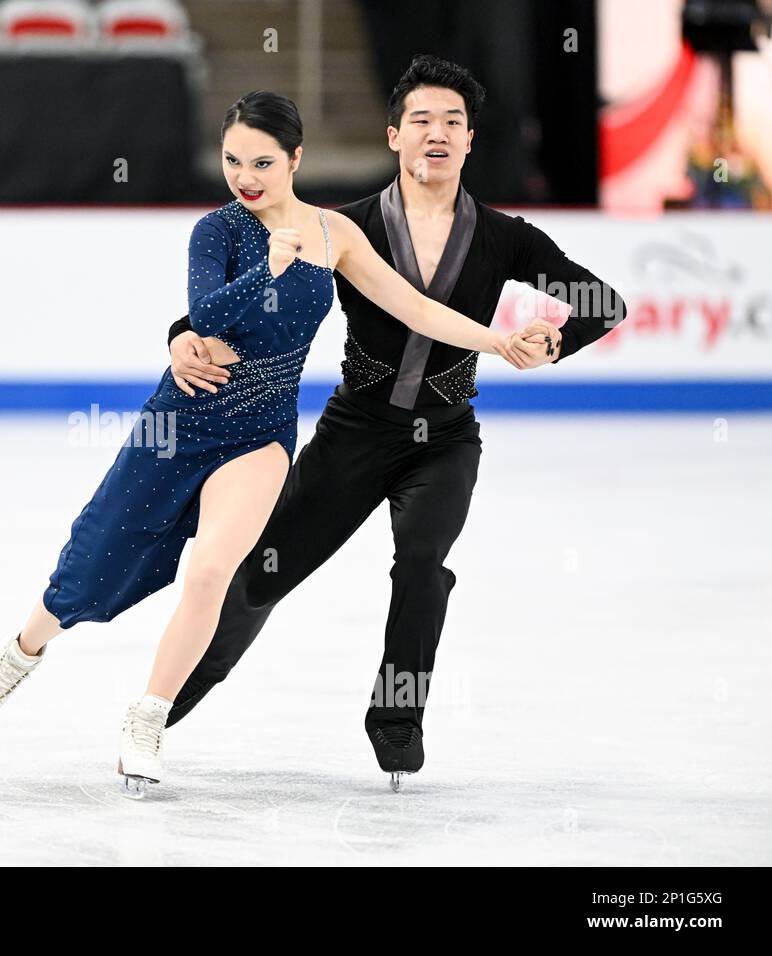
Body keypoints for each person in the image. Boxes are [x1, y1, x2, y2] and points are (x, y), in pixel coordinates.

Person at [0, 89, 534, 798]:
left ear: (296, 158)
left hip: (260, 434)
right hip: (184, 417)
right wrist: (268, 272)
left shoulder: (334, 234)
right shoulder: (216, 230)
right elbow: (207, 311)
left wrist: (499, 341)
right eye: (233, 161)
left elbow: (414, 306)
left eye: (262, 161)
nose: (246, 177)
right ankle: (27, 646)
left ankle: (148, 717)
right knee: (93, 563)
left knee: (211, 576)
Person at [162, 56, 629, 791]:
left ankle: (396, 716)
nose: (436, 134)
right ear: (394, 136)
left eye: (451, 123)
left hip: (444, 440)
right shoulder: (343, 227)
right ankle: (167, 701)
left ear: (471, 141)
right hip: (355, 432)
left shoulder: (507, 238)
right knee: (260, 574)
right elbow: (237, 306)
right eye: (421, 121)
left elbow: (603, 302)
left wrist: (553, 341)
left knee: (422, 565)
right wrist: (181, 332)